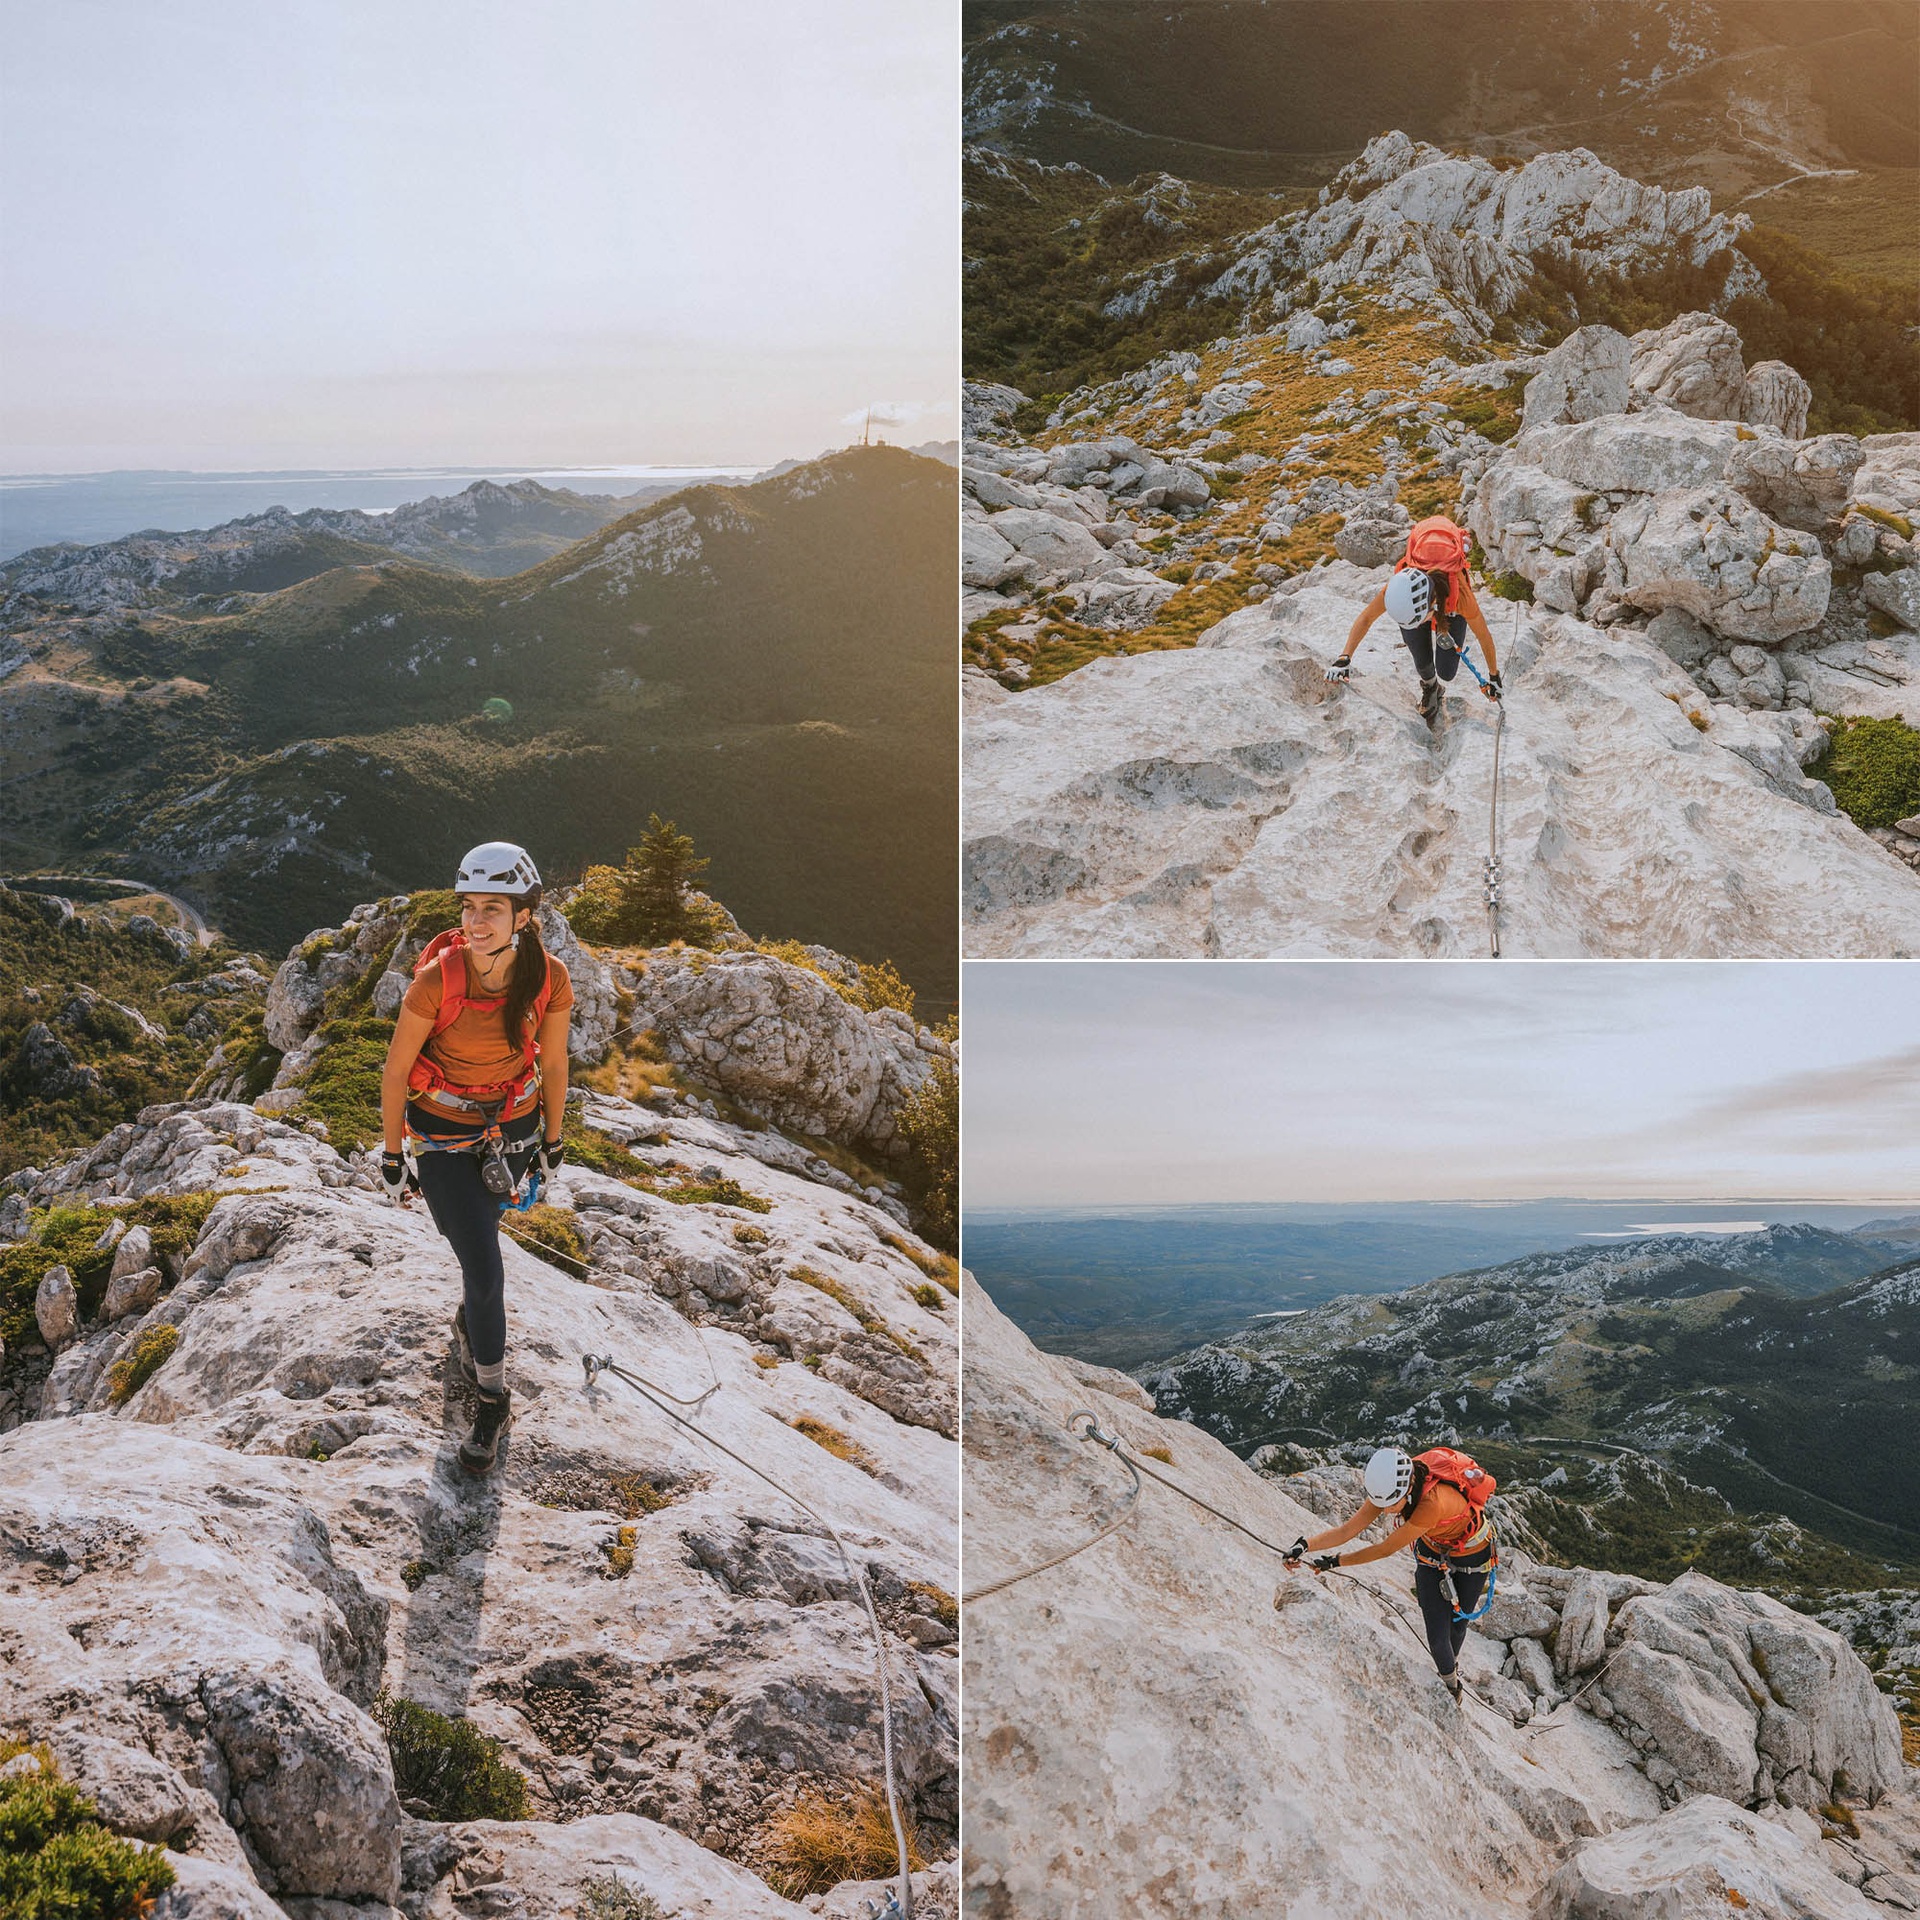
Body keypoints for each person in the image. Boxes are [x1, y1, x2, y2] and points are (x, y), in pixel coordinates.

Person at [378, 841, 574, 1474]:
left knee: (483, 1238)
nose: (476, 921)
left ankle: (472, 1325)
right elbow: (396, 1070)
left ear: (524, 916)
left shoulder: (549, 977)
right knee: (486, 1264)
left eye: (494, 907)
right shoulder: (438, 980)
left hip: (512, 1130)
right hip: (440, 1137)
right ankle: (493, 1397)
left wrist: (552, 1139)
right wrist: (392, 1154)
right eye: (468, 907)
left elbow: (555, 1061)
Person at [1283, 1445, 1498, 1702]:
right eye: (1380, 1504)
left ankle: (1451, 1683)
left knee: (1456, 1629)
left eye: (1389, 1505)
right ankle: (1451, 1685)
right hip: (1431, 1551)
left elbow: (1385, 1549)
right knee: (1439, 1640)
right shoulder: (1388, 1489)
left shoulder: (1432, 1503)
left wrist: (1336, 1562)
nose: (1384, 1511)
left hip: (1472, 1555)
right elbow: (1346, 1530)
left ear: (1407, 1490)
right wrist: (1304, 1545)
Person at [1324, 515, 1504, 725]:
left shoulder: (1460, 595)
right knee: (1422, 659)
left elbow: (1484, 635)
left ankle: (1440, 679)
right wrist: (1344, 658)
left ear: (1431, 607)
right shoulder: (1401, 586)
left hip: (1446, 603)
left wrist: (1494, 677)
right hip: (1426, 597)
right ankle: (1431, 686)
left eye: (1418, 620)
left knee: (1447, 671)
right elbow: (1366, 618)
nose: (1417, 625)